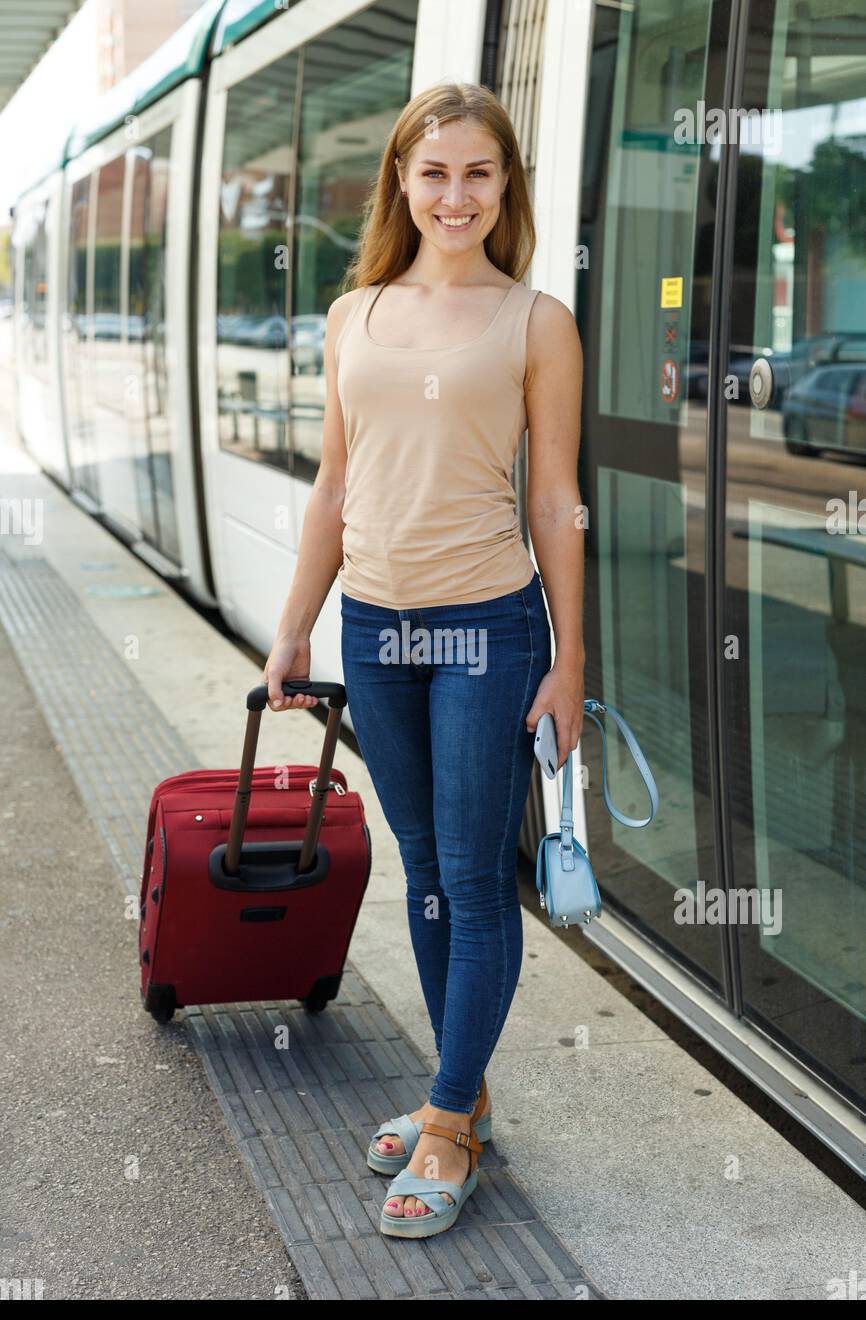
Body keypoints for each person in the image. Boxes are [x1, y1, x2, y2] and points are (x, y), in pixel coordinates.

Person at [263, 81, 584, 1239]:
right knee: (424, 865)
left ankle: (448, 1114)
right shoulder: (354, 315)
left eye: (478, 173)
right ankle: (467, 1079)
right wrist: (295, 623)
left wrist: (570, 661)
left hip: (487, 631)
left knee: (473, 869)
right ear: (402, 181)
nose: (455, 194)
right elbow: (335, 487)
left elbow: (554, 499)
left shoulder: (535, 320)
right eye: (434, 172)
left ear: (505, 188)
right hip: (375, 628)